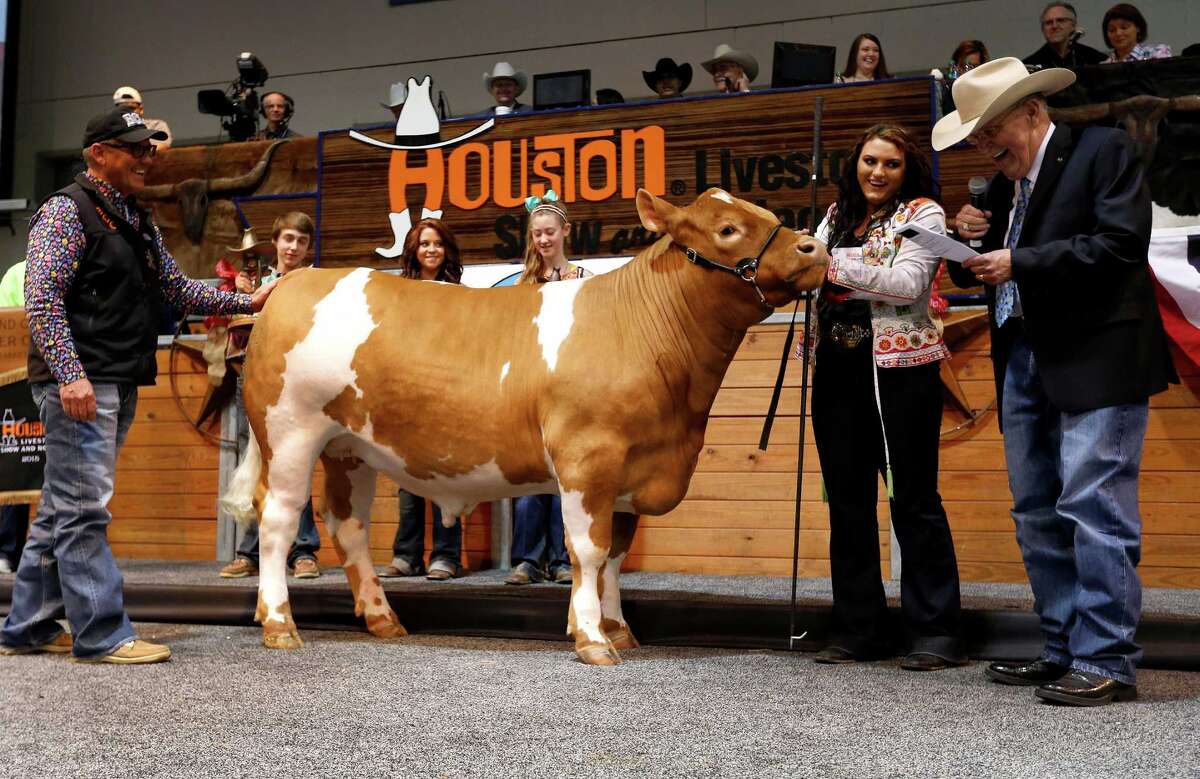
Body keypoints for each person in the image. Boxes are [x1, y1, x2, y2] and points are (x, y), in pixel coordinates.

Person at [936, 57, 1176, 706]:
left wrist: (1018, 258)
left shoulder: (1105, 149)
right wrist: (969, 244)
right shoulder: (1003, 184)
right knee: (1037, 509)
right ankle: (1062, 645)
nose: (986, 149)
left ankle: (1105, 659)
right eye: (976, 139)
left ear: (1034, 112)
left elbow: (1120, 244)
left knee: (1093, 505)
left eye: (992, 133)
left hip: (1099, 355)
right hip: (1024, 356)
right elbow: (989, 269)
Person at [0, 107, 277, 664]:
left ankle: (26, 625)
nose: (148, 158)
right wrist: (70, 374)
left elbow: (175, 288)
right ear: (98, 154)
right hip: (82, 382)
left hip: (116, 379)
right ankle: (102, 633)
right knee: (83, 510)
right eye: (135, 149)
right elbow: (45, 299)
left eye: (150, 148)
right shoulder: (65, 211)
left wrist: (245, 303)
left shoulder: (135, 217)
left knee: (61, 508)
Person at [808, 124, 964, 672]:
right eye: (870, 161)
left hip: (900, 375)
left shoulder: (924, 215)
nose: (878, 172)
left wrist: (827, 266)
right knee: (847, 505)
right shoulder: (831, 215)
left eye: (890, 164)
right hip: (835, 371)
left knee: (914, 500)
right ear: (855, 162)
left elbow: (908, 284)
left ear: (906, 170)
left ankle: (936, 632)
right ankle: (859, 629)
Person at [218, 213, 322, 580]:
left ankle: (303, 551)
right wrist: (242, 297)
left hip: (297, 383)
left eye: (301, 241)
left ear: (309, 247)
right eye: (288, 239)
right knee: (253, 463)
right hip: (255, 381)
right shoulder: (254, 282)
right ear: (275, 242)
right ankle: (250, 552)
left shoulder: (313, 283)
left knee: (296, 463)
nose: (293, 247)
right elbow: (233, 328)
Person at [505, 192, 587, 585]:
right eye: (537, 234)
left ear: (565, 231)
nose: (543, 240)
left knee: (565, 477)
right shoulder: (524, 283)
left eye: (550, 232)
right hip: (530, 387)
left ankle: (562, 558)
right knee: (529, 473)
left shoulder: (584, 280)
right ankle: (526, 558)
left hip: (571, 390)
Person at [378, 218, 465, 582]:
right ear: (413, 249)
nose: (431, 250)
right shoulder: (400, 294)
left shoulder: (461, 294)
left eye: (438, 243)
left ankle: (446, 556)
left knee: (448, 478)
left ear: (447, 250)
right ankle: (407, 554)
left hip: (448, 392)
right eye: (424, 243)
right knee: (407, 479)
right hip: (408, 395)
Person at [0, 261, 31, 576]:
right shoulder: (15, 275)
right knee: (20, 466)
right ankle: (8, 551)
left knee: (20, 465)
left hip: (21, 381)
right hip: (18, 382)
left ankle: (9, 552)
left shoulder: (14, 273)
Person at [1023, 3, 1106, 70]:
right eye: (1048, 22)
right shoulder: (1028, 66)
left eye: (1060, 20)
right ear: (1042, 29)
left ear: (1073, 25)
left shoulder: (1096, 59)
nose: (1054, 26)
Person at [1101, 4, 1173, 63]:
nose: (1118, 33)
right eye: (1112, 30)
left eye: (1124, 27)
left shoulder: (1158, 52)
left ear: (1138, 28)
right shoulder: (1103, 66)